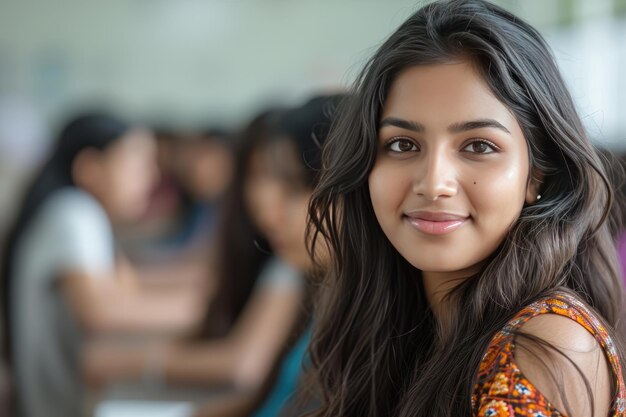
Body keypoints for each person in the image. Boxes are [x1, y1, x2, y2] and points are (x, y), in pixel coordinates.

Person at [306, 1, 626, 417]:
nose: (433, 183)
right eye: (402, 144)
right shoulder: (401, 328)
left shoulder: (542, 348)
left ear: (537, 176)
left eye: (479, 146)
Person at [87, 95, 343, 417]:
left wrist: (142, 361)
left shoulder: (308, 276)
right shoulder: (316, 283)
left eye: (290, 185)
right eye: (255, 175)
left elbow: (244, 366)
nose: (267, 201)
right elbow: (269, 399)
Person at [0, 113, 203, 417]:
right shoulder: (74, 213)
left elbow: (128, 287)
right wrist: (205, 306)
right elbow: (100, 311)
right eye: (137, 164)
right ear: (90, 169)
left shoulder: (79, 213)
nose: (151, 177)